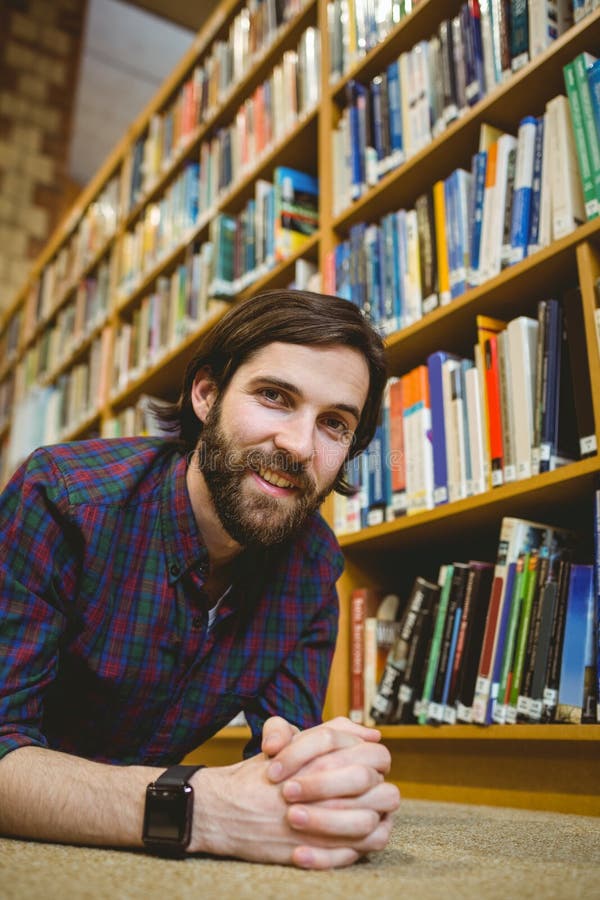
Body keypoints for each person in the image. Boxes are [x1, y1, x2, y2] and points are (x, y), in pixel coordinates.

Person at [0, 289, 400, 869]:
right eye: (274, 396)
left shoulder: (313, 566)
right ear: (207, 395)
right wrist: (197, 806)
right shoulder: (61, 499)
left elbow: (280, 761)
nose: (298, 445)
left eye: (334, 424)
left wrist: (329, 785)